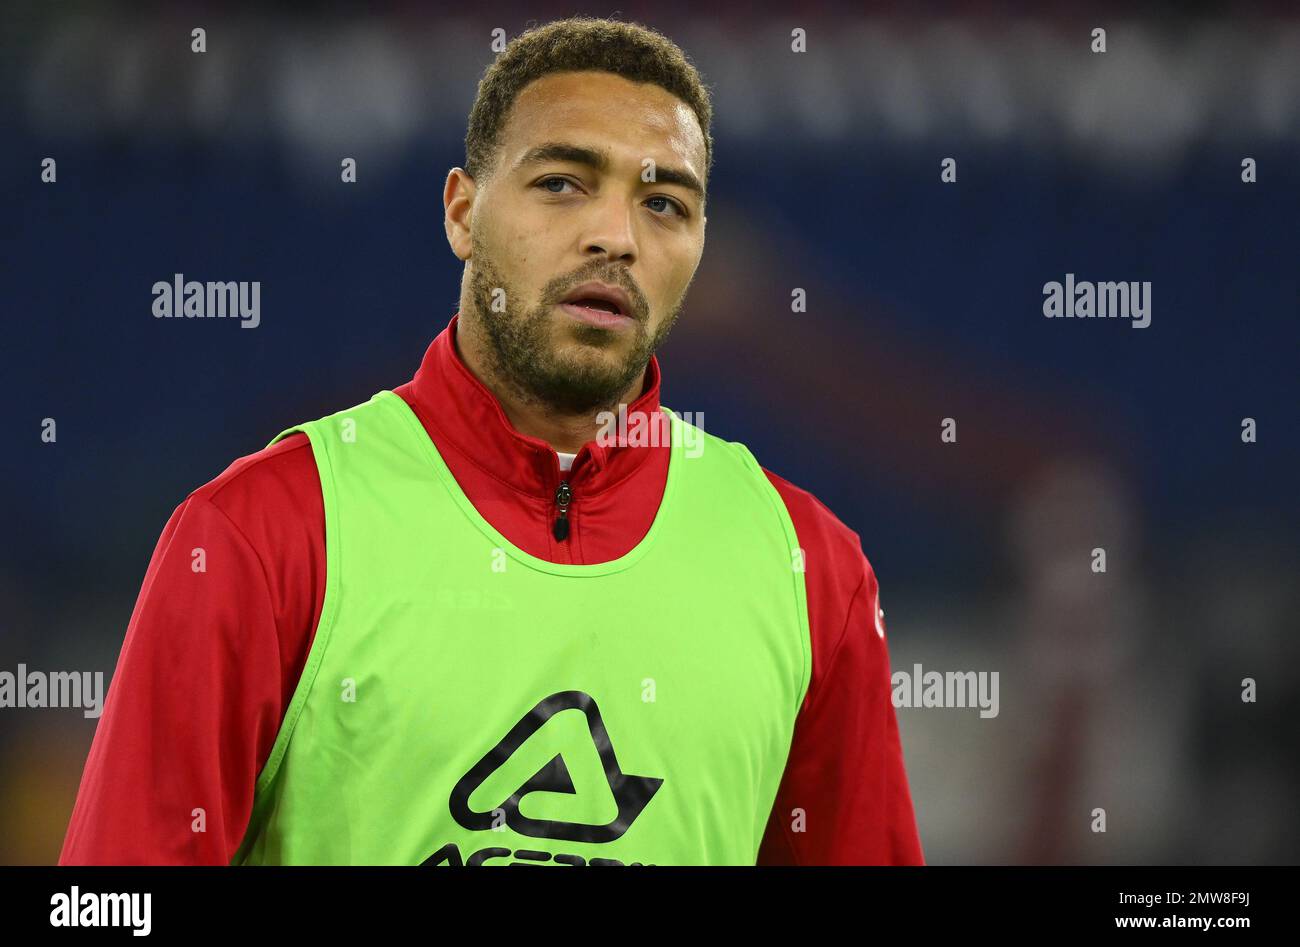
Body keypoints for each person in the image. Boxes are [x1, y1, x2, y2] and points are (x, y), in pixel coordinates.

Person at [59, 16, 923, 866]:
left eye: (663, 203)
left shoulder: (809, 569)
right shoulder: (262, 532)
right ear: (463, 214)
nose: (615, 237)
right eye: (561, 183)